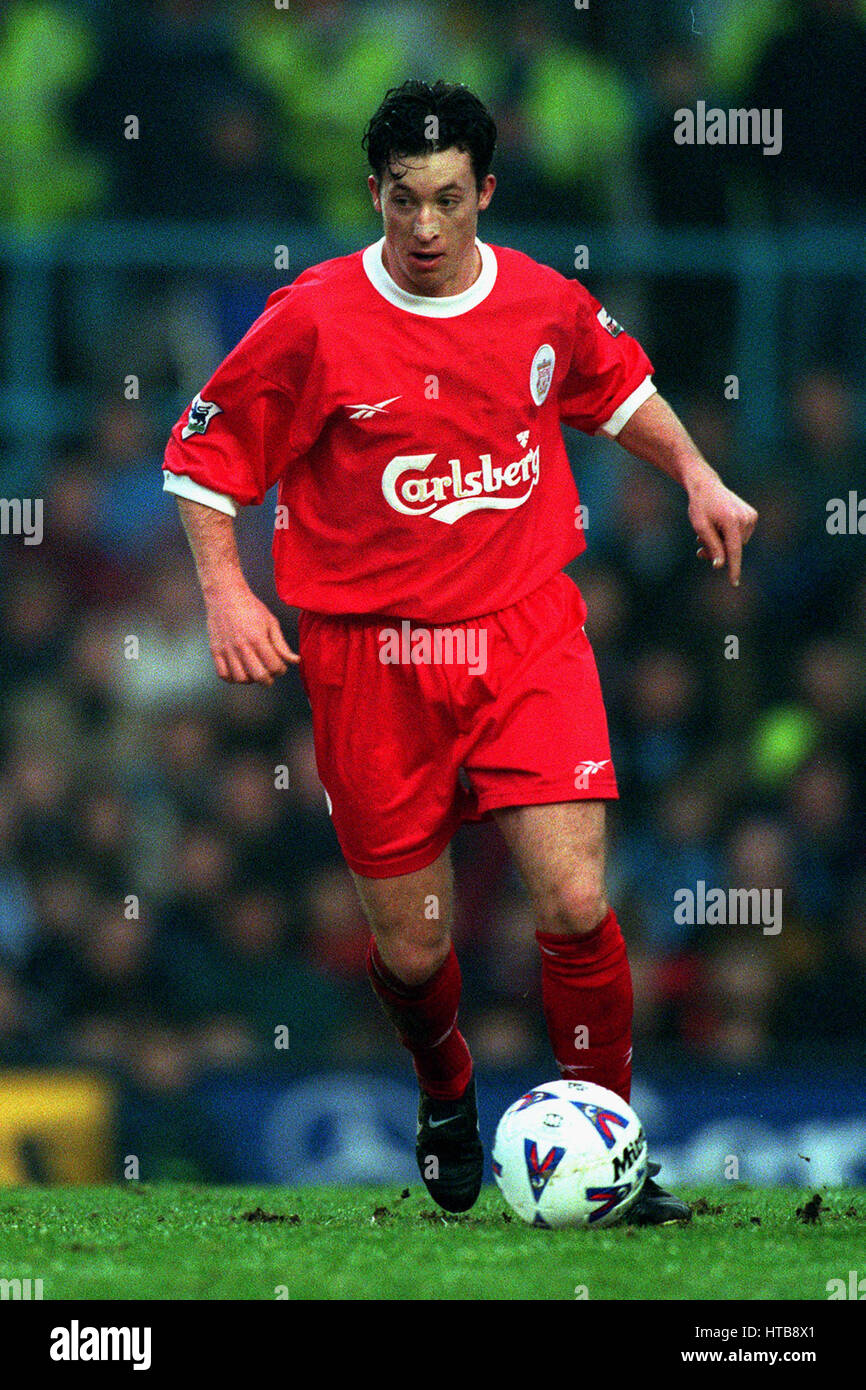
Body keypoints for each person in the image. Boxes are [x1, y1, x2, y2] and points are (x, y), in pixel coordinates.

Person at [163, 80, 757, 1223]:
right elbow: (201, 455)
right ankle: (445, 1085)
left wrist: (692, 472)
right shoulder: (314, 318)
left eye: (446, 199)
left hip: (522, 632)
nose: (424, 228)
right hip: (367, 658)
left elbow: (618, 388)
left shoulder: (538, 302)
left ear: (484, 190)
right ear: (371, 195)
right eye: (401, 202)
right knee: (413, 945)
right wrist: (228, 594)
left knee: (577, 901)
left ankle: (609, 1154)